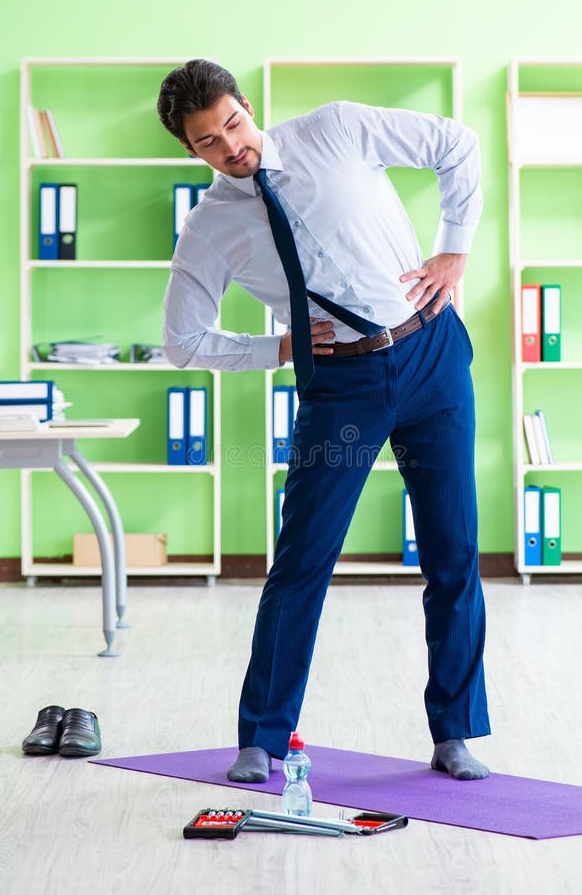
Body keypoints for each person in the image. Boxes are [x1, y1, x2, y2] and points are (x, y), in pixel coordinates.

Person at [157, 59, 490, 782]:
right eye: (210, 142)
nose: (232, 147)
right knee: (302, 559)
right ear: (191, 150)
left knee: (452, 551)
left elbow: (455, 144)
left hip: (429, 351)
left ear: (247, 105)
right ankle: (261, 738)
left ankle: (455, 731)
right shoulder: (209, 228)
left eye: (234, 124)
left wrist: (455, 247)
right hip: (341, 386)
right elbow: (182, 339)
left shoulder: (335, 128)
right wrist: (275, 347)